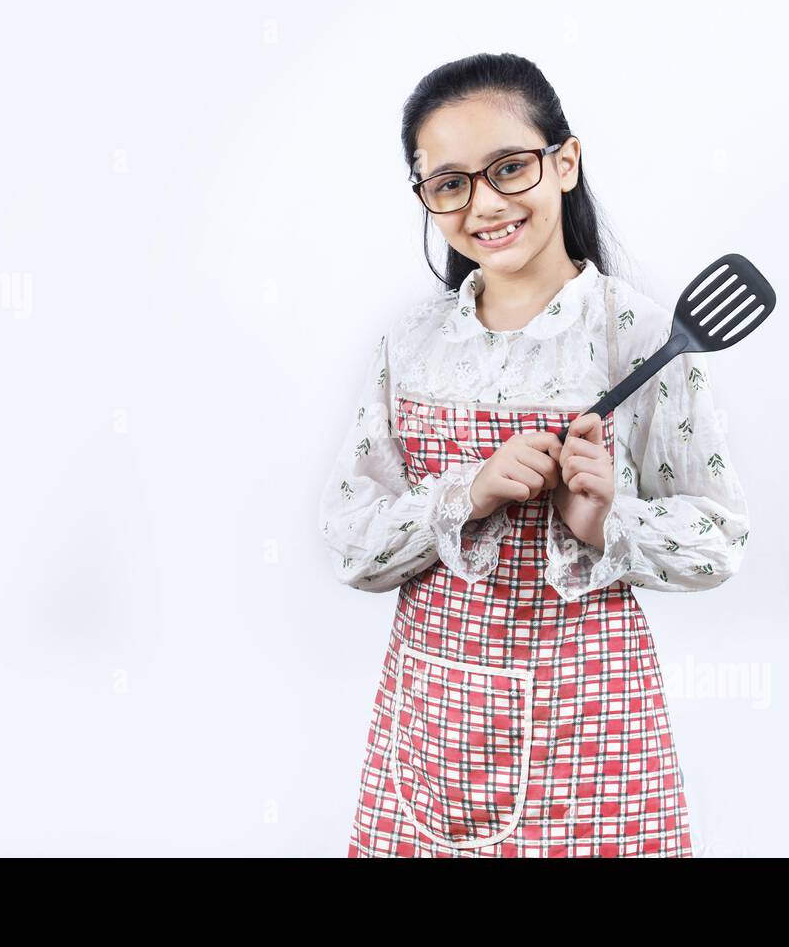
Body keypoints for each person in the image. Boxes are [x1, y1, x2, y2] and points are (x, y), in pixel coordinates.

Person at [318, 52, 751, 857]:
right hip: (433, 724)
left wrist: (604, 523)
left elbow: (718, 540)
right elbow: (352, 544)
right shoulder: (410, 345)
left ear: (565, 162)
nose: (483, 203)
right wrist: (466, 494)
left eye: (508, 168)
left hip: (592, 727)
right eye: (449, 183)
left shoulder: (644, 339)